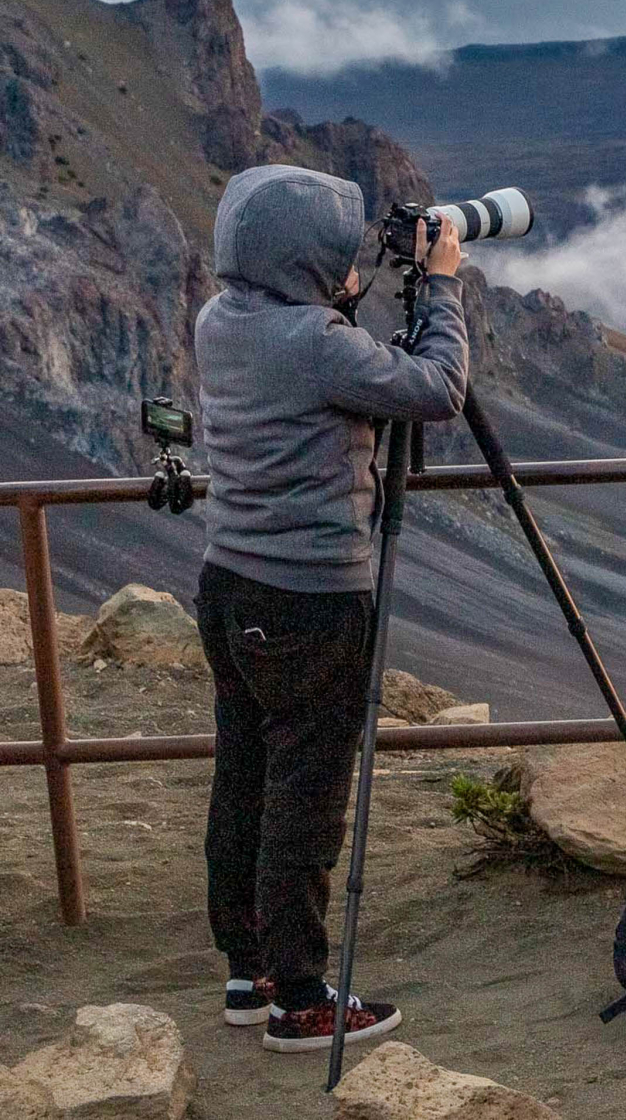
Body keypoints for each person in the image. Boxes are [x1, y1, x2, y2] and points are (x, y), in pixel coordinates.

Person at [194, 165, 469, 1051]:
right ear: (305, 259)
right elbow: (436, 390)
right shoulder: (316, 342)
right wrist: (445, 289)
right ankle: (303, 1000)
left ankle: (251, 969)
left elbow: (320, 352)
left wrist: (344, 295)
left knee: (244, 773)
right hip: (309, 595)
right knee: (306, 793)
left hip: (228, 583)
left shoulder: (222, 318)